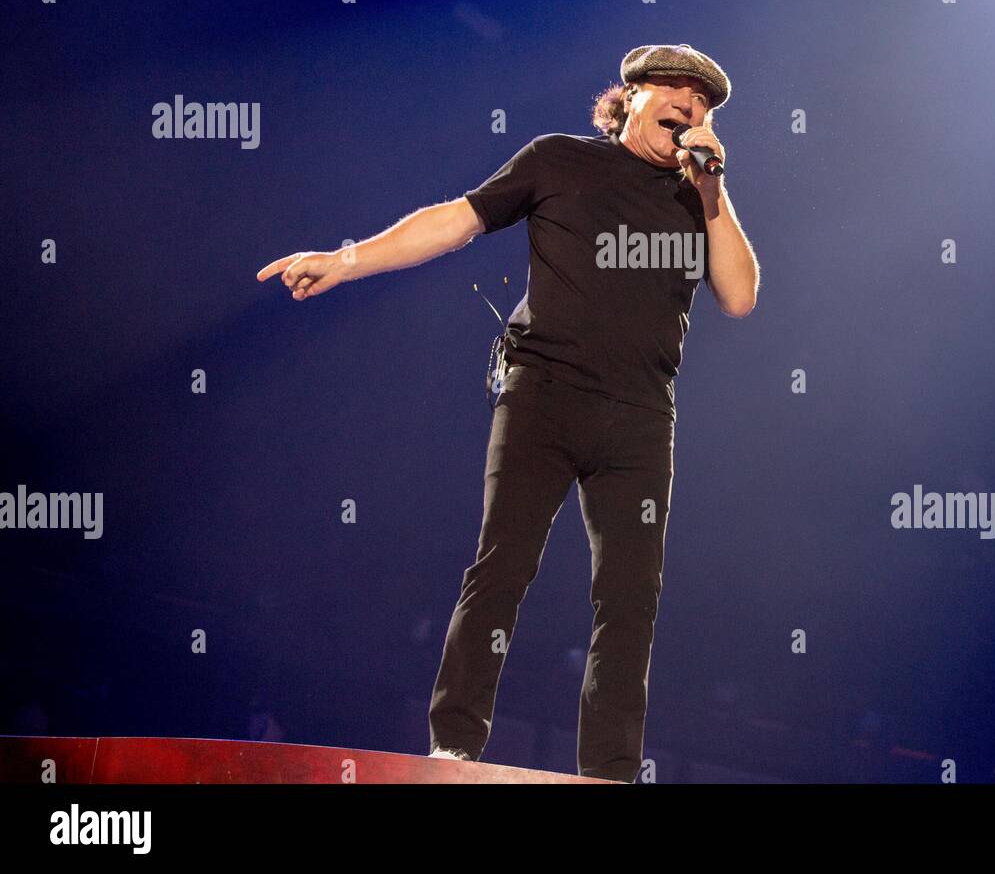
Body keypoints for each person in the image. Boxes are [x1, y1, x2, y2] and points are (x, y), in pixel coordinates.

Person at [255, 43, 759, 782]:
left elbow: (741, 295)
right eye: (676, 91)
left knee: (630, 596)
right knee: (503, 563)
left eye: (703, 101)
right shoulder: (558, 160)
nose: (690, 106)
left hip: (642, 418)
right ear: (633, 94)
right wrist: (347, 258)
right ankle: (454, 748)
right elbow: (454, 221)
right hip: (544, 394)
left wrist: (713, 190)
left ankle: (610, 771)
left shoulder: (697, 199)